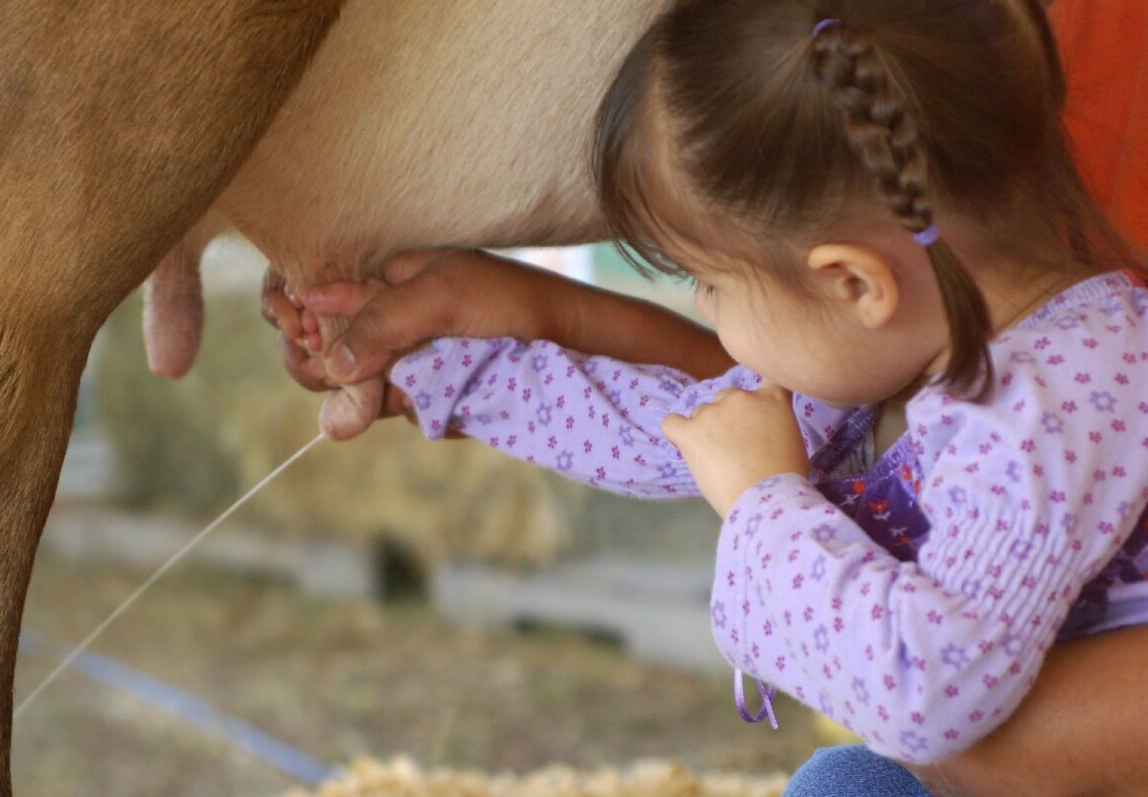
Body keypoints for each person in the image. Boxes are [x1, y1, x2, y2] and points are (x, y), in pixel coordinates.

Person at [264, 1, 1148, 792]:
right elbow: (668, 431)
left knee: (843, 784)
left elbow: (926, 693)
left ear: (852, 285)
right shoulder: (922, 340)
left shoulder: (1054, 406)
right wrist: (439, 364)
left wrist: (765, 503)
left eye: (708, 282)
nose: (700, 310)